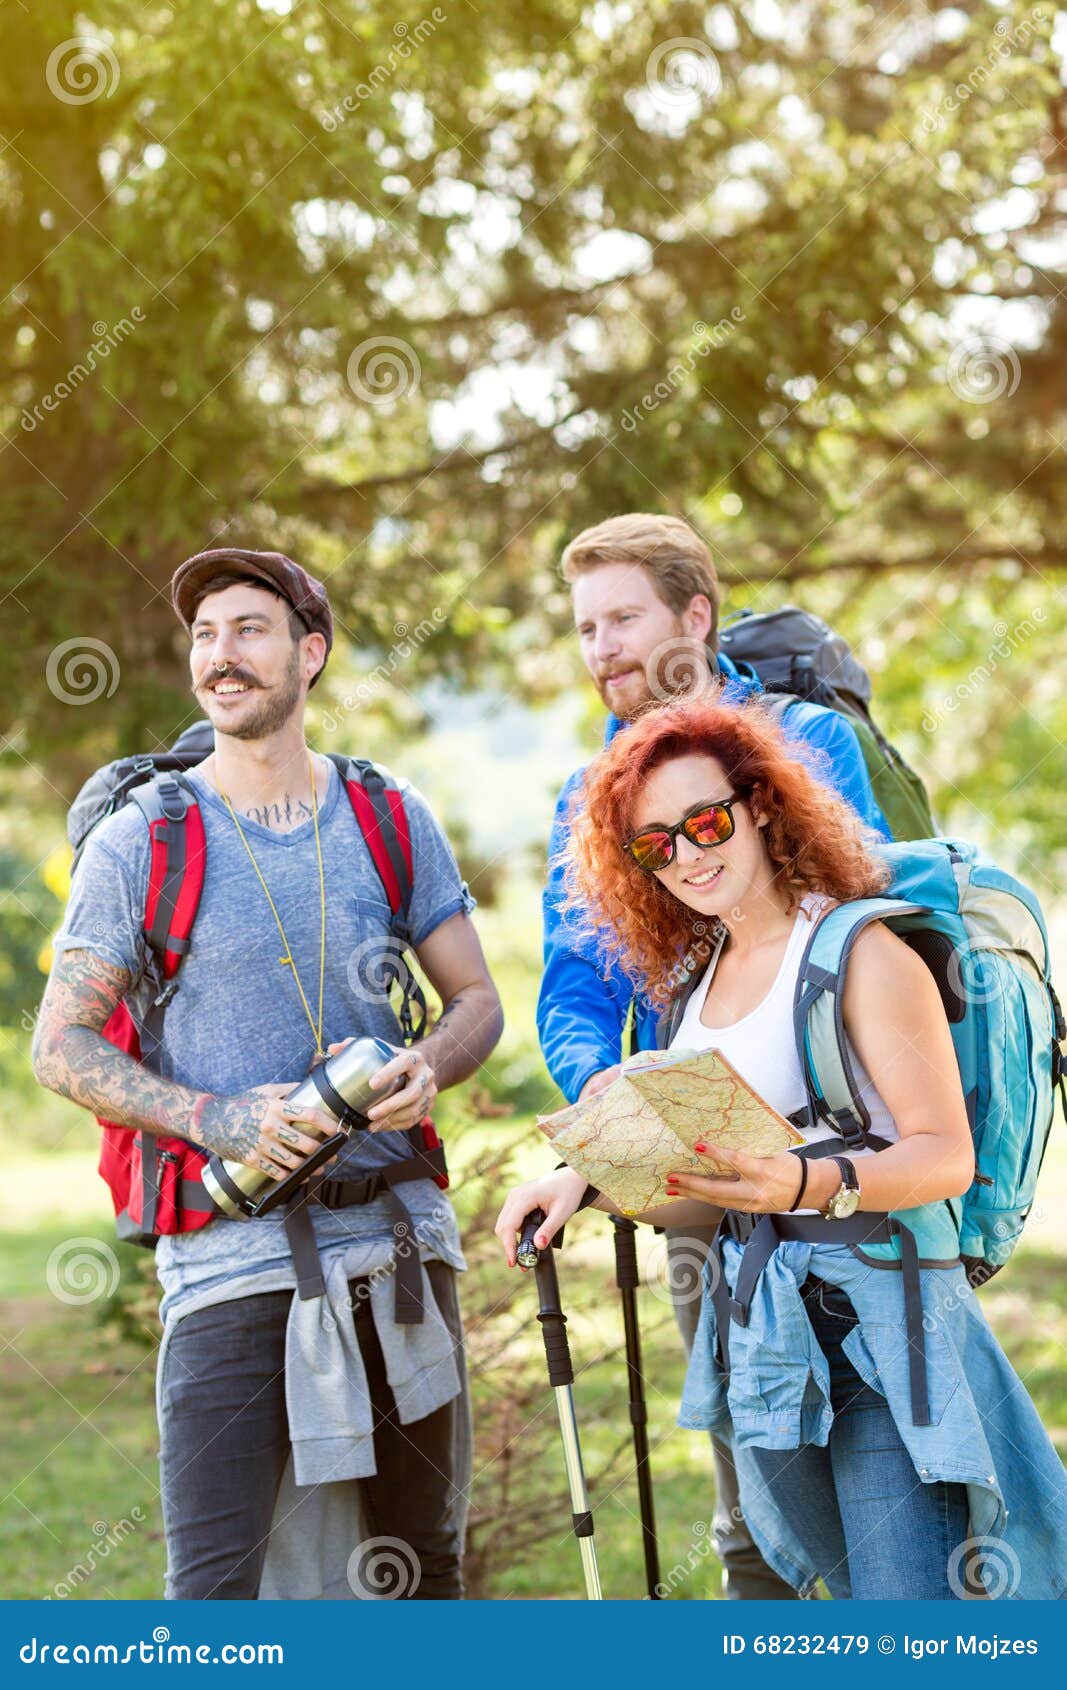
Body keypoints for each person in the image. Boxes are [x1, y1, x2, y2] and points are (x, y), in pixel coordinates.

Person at [499, 696, 1067, 1600]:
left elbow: (941, 1156)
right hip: (768, 1343)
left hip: (887, 1339)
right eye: (656, 844)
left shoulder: (862, 951)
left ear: (761, 805)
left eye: (706, 820)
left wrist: (802, 1180)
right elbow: (710, 1194)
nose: (687, 855)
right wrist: (591, 1182)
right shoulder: (694, 989)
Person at [34, 547, 503, 1600]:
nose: (220, 654)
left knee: (422, 1580)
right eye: (203, 635)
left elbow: (478, 1000)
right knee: (214, 1590)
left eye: (248, 628)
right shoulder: (140, 841)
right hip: (229, 1266)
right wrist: (215, 1116)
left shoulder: (390, 815)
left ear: (311, 652)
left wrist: (427, 1065)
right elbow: (58, 1044)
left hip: (400, 1250)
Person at [537, 511, 890, 1599]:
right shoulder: (587, 798)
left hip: (853, 1181)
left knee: (886, 1487)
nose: (599, 646)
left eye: (623, 617)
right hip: (696, 1181)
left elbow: (862, 926)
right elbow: (572, 982)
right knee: (753, 1515)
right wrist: (610, 1101)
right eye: (585, 626)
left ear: (694, 616)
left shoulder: (806, 743)